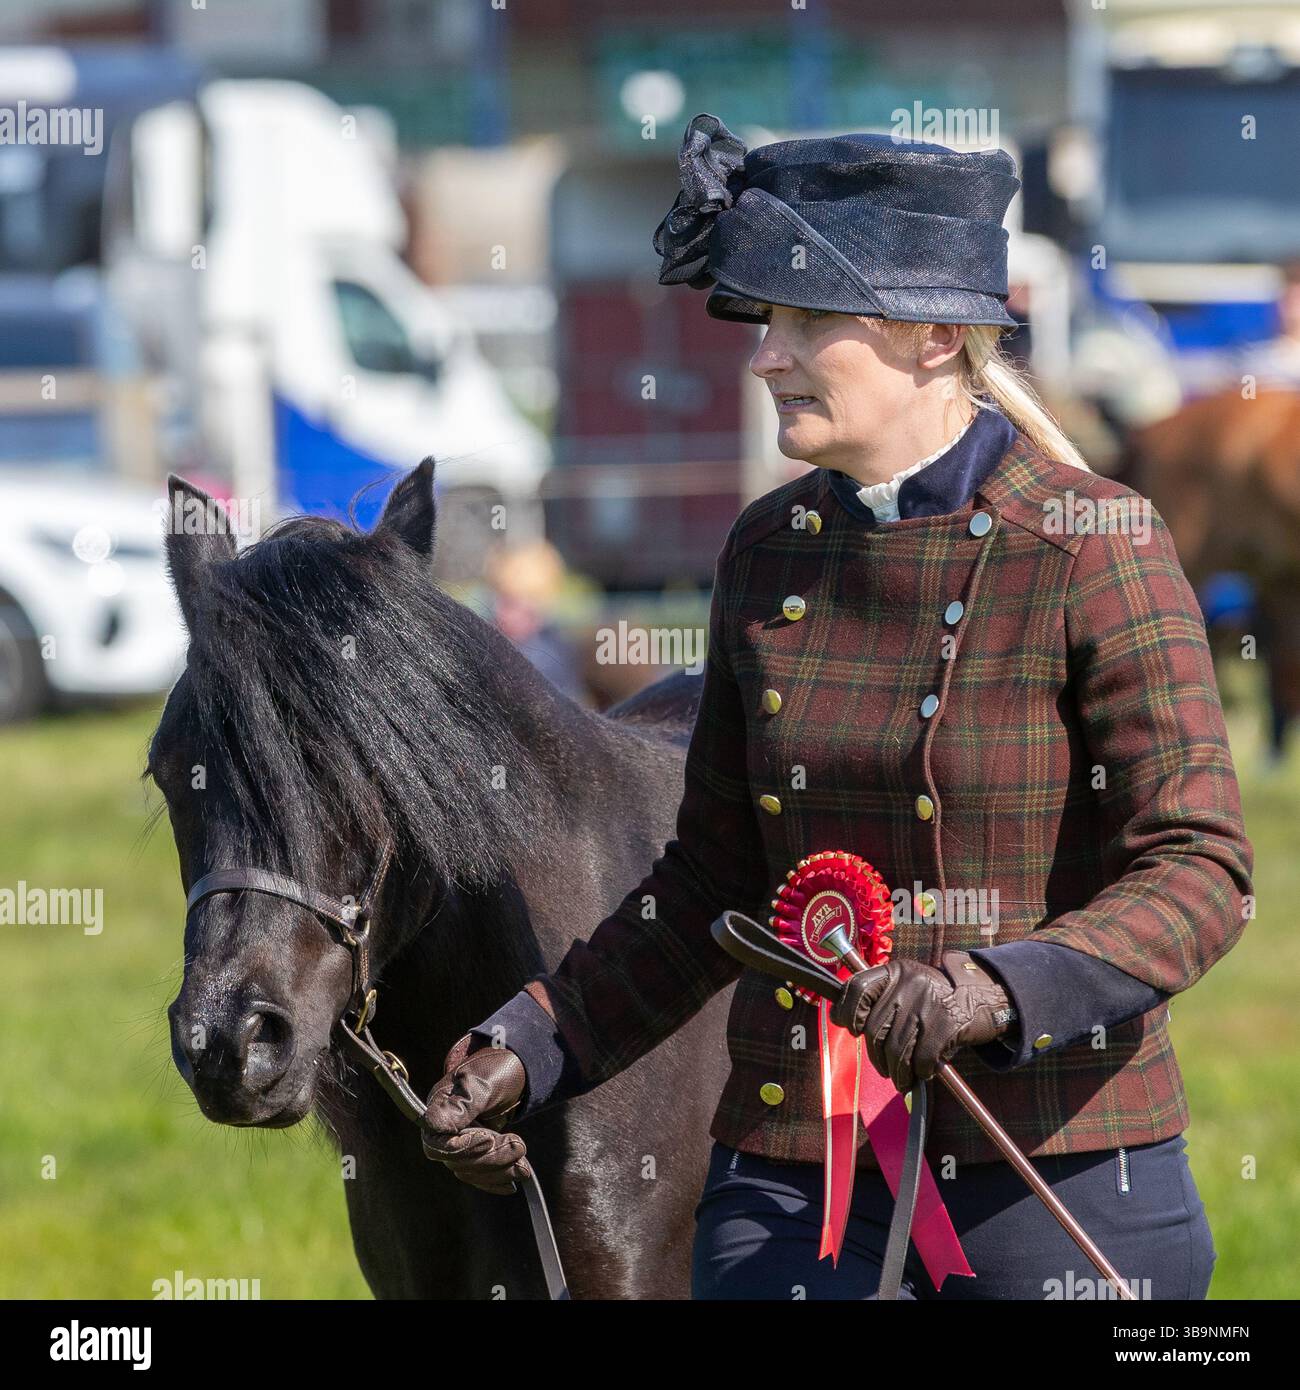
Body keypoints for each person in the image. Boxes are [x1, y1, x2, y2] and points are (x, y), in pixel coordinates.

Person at [419, 114, 1253, 1300]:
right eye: (765, 323)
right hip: (790, 1176)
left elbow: (1198, 869)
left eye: (806, 321)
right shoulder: (765, 548)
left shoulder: (1095, 542)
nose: (765, 357)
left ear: (931, 335)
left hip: (1058, 1167)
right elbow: (707, 881)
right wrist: (532, 1041)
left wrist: (993, 989)